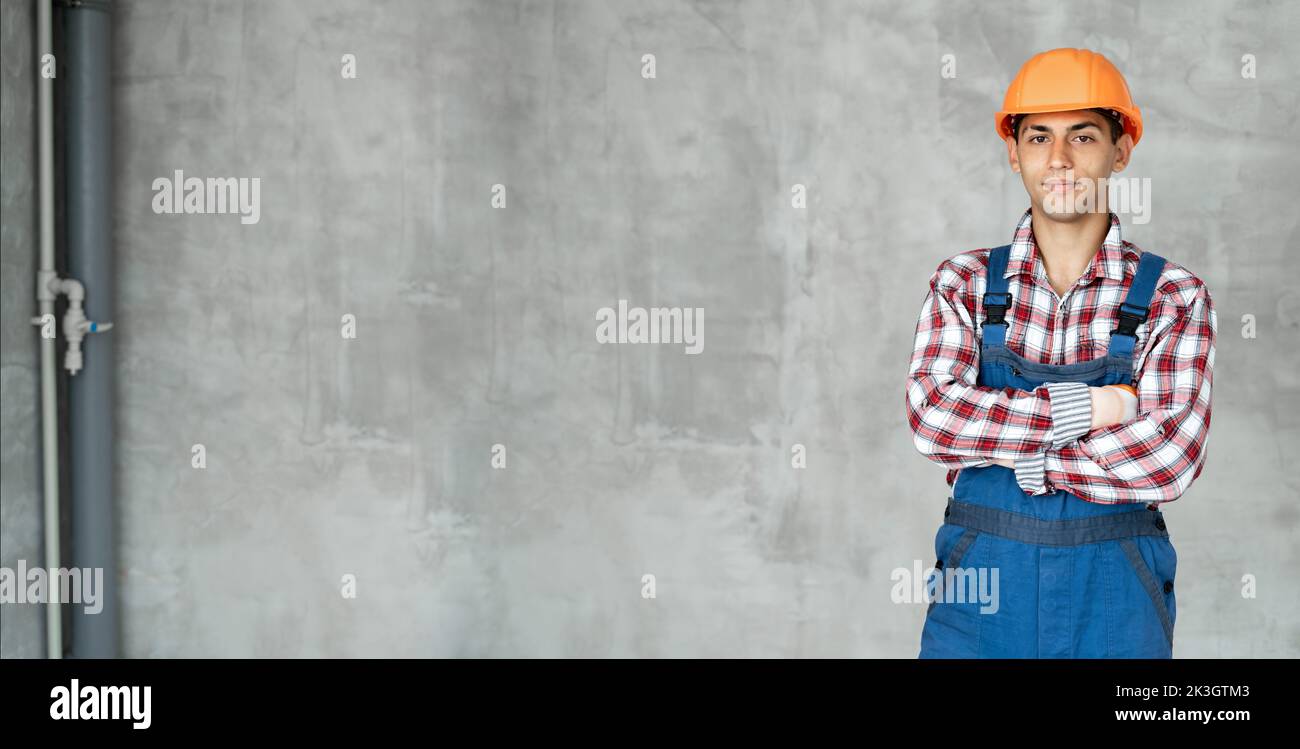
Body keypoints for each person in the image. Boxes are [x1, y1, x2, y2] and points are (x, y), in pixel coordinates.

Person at [905, 48, 1217, 658]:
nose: (1059, 159)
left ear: (1121, 150)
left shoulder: (1174, 296)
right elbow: (934, 420)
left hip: (1116, 595)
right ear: (1013, 151)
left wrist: (1028, 462)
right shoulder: (962, 283)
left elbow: (1169, 457)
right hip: (981, 593)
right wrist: (1093, 409)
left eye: (1084, 136)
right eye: (1039, 136)